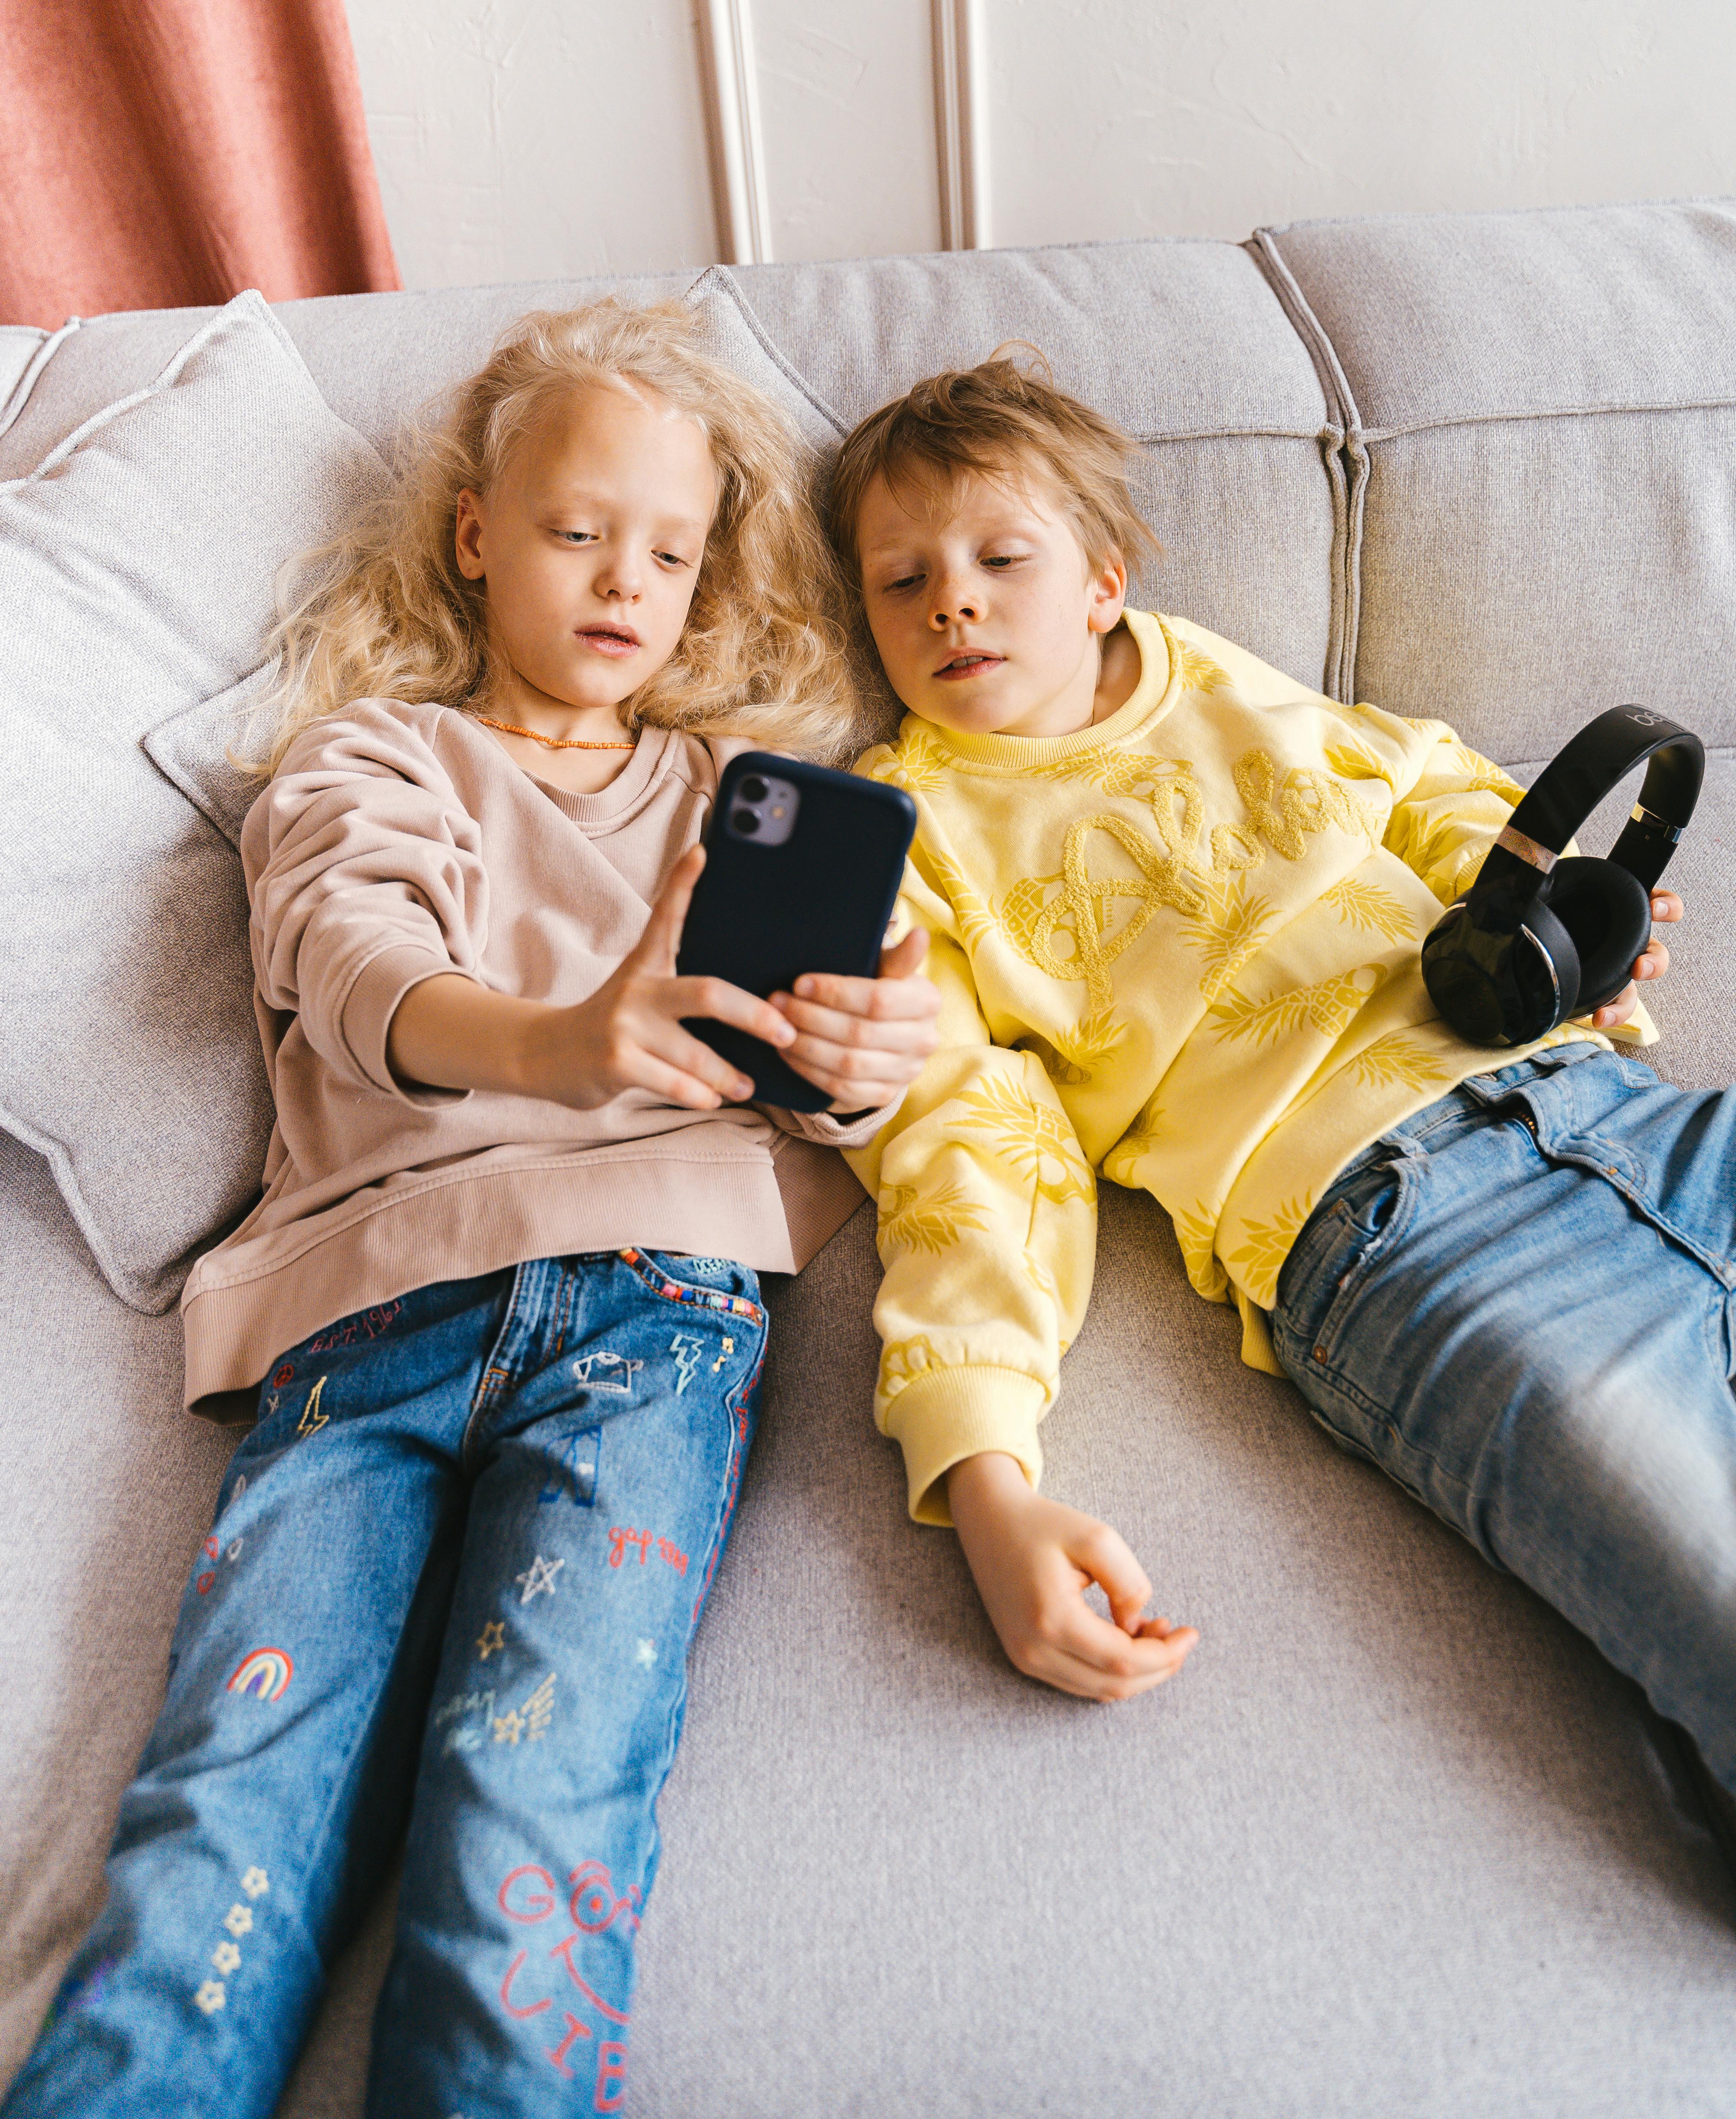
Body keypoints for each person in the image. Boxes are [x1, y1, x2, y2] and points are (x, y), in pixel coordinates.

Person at [7, 302, 939, 2119]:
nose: (625, 582)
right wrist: (564, 1041)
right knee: (227, 1809)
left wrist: (869, 1056)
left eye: (670, 553)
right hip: (368, 1313)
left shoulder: (730, 803)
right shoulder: (374, 760)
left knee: (535, 1805)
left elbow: (821, 1092)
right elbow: (356, 966)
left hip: (655, 1309)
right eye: (578, 529)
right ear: (474, 535)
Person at [819, 349, 1736, 1806]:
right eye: (901, 579)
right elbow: (966, 1148)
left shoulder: (1203, 670)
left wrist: (1547, 906)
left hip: (1621, 1110)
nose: (952, 603)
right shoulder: (905, 831)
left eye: (1001, 558)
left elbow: (1417, 780)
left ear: (1104, 585)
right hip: (1401, 1240)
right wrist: (984, 1474)